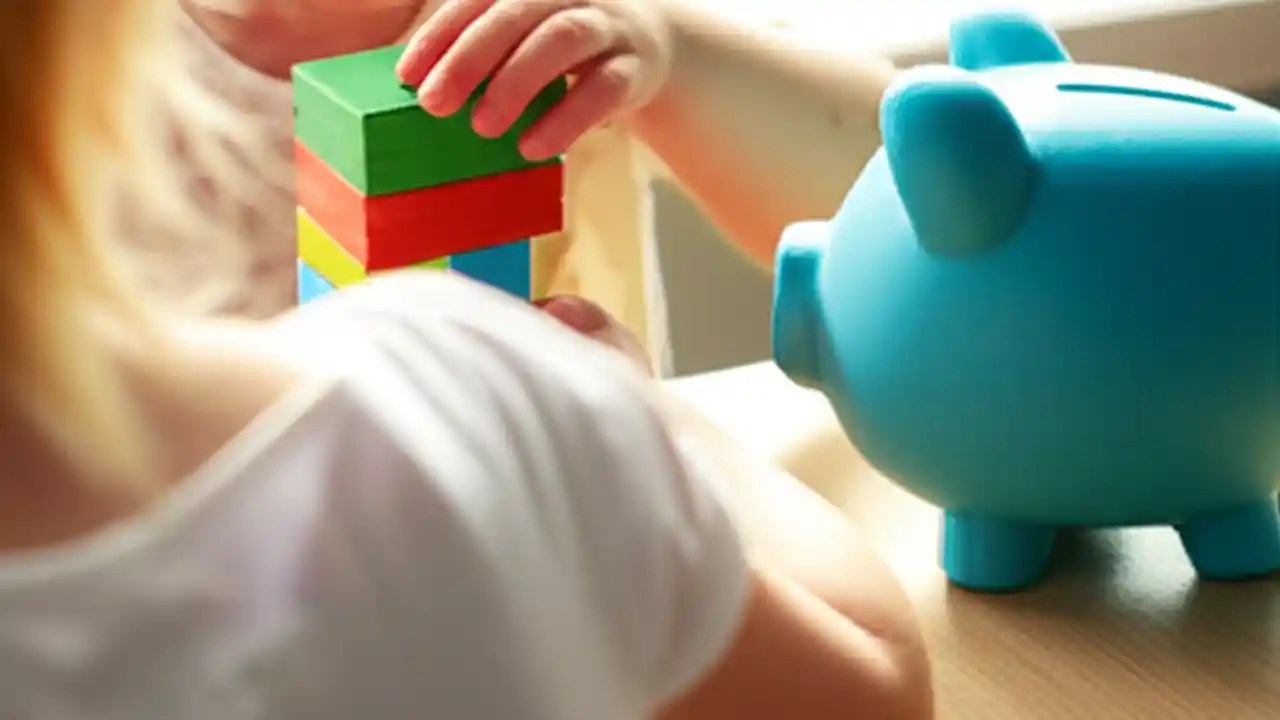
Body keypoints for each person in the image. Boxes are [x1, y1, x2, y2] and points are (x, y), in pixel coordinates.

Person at [0, 0, 932, 717]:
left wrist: (669, 51)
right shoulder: (90, 82)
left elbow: (921, 218)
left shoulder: (544, 34)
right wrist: (618, 420)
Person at [169, 0, 894, 375]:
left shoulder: (558, 28)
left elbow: (904, 211)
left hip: (551, 567)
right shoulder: (73, 70)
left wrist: (669, 52)